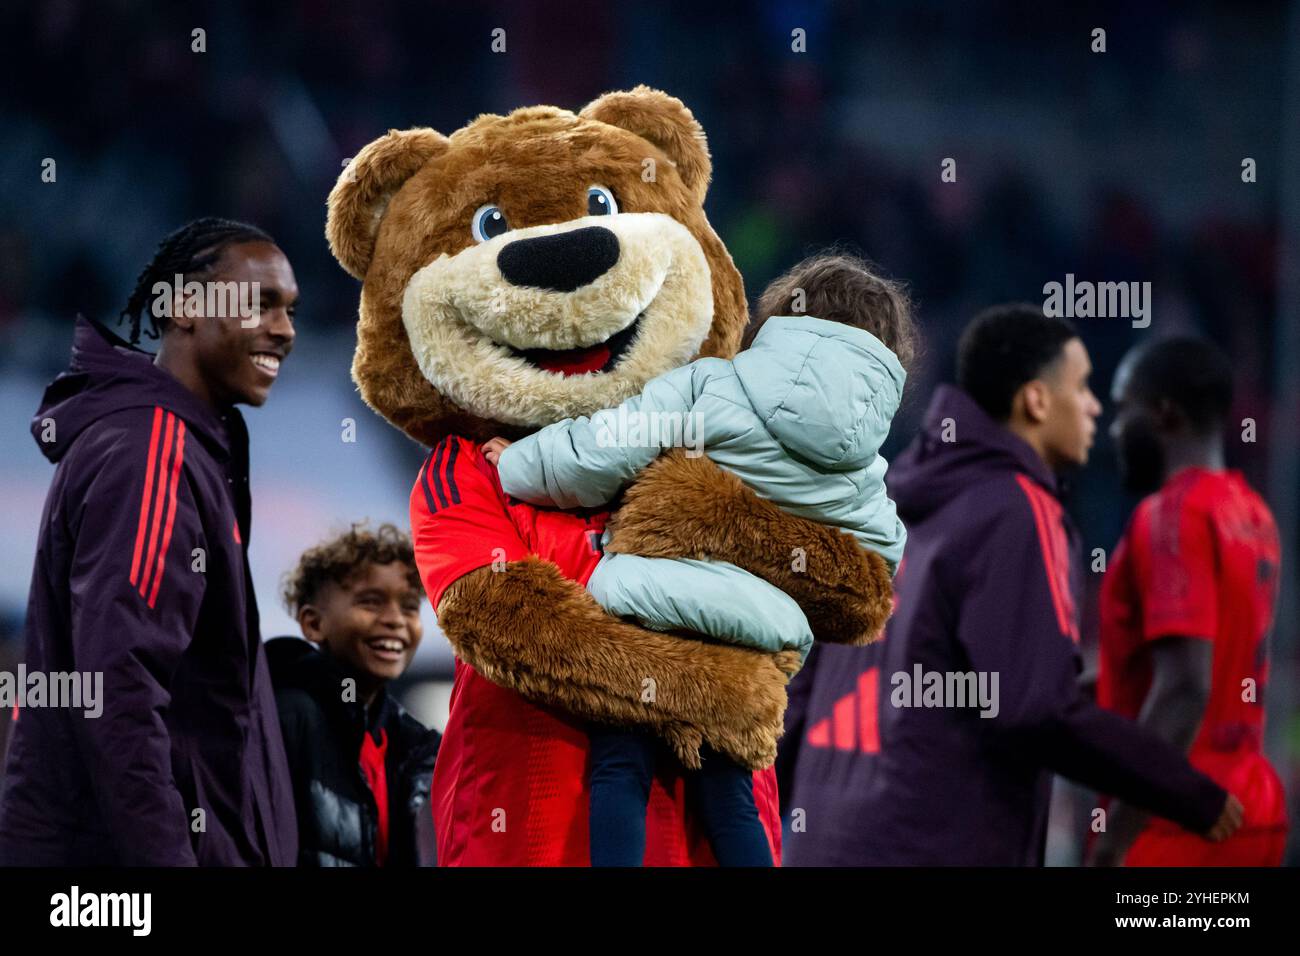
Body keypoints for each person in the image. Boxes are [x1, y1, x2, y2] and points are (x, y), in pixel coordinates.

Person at [484, 253, 913, 865]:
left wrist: (522, 464)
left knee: (618, 766)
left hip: (647, 604)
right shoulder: (863, 469)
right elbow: (875, 566)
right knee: (730, 794)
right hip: (753, 641)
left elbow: (605, 449)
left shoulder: (711, 383)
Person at [779, 303, 1241, 865]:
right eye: (1082, 386)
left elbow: (800, 696)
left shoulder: (879, 507)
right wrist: (1189, 793)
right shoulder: (1019, 509)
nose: (1095, 407)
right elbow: (1034, 707)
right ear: (1036, 401)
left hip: (820, 842)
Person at [0, 217, 300, 866]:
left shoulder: (176, 443)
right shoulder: (151, 452)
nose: (286, 329)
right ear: (186, 307)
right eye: (262, 304)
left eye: (292, 309)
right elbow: (120, 691)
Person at [1092, 337, 1286, 865]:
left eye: (1121, 409)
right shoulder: (1254, 515)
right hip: (1251, 805)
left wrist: (1112, 842)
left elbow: (1183, 691)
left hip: (1176, 818)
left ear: (1164, 414)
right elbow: (1205, 674)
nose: (1112, 430)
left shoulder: (1172, 516)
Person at [268, 523, 441, 867]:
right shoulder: (288, 713)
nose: (395, 620)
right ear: (314, 624)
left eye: (409, 607)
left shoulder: (409, 743)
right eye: (371, 602)